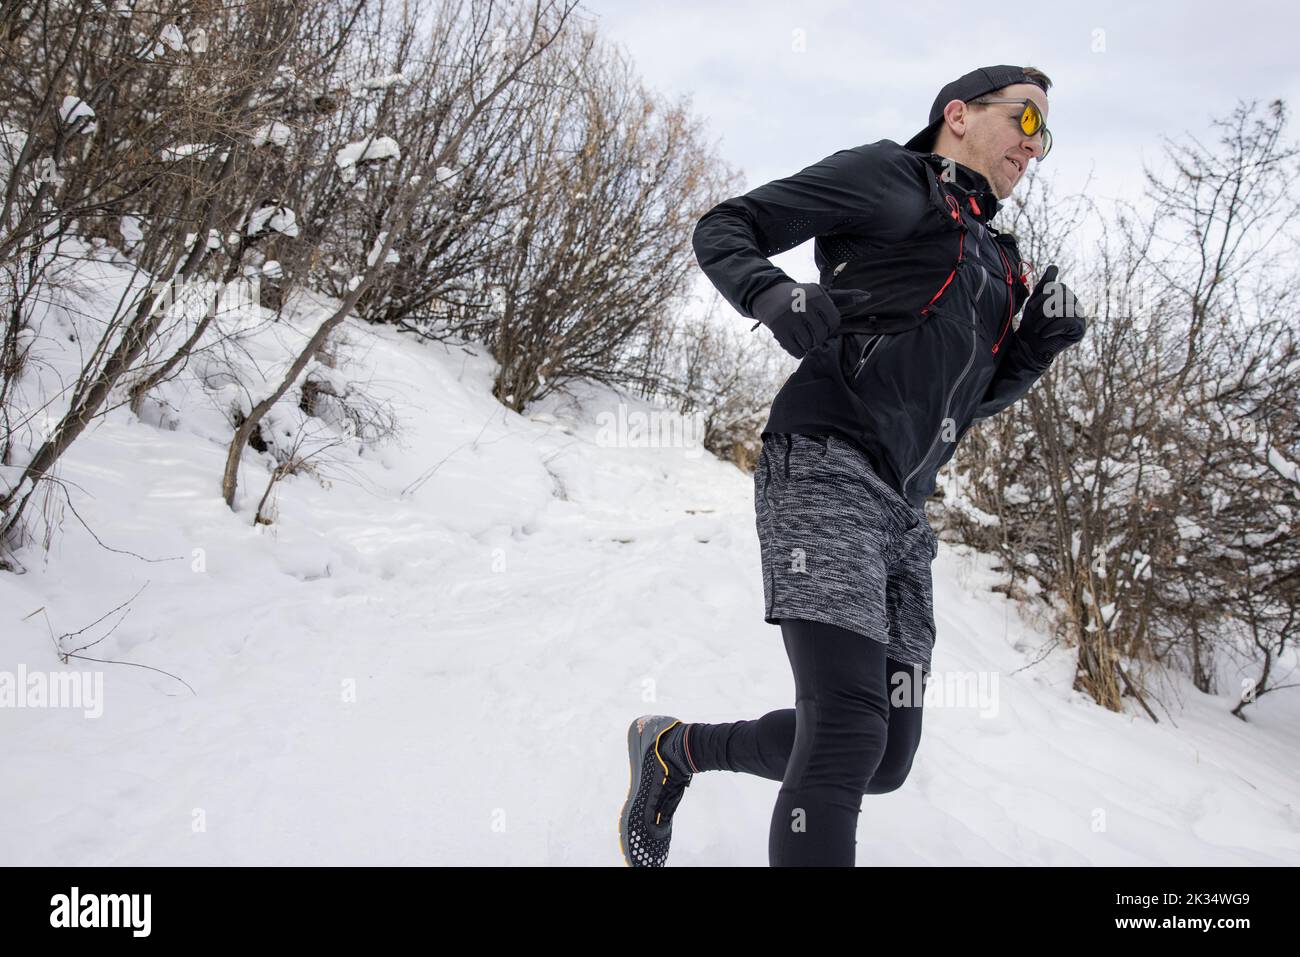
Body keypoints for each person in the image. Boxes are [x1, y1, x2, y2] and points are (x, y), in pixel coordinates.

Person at [619, 65, 1087, 867]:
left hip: (905, 513)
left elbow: (966, 400)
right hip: (826, 456)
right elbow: (726, 224)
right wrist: (770, 292)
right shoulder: (893, 180)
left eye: (1048, 136)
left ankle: (676, 750)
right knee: (846, 723)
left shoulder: (998, 260)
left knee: (885, 754)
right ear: (960, 115)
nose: (1035, 149)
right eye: (1028, 122)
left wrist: (1034, 347)